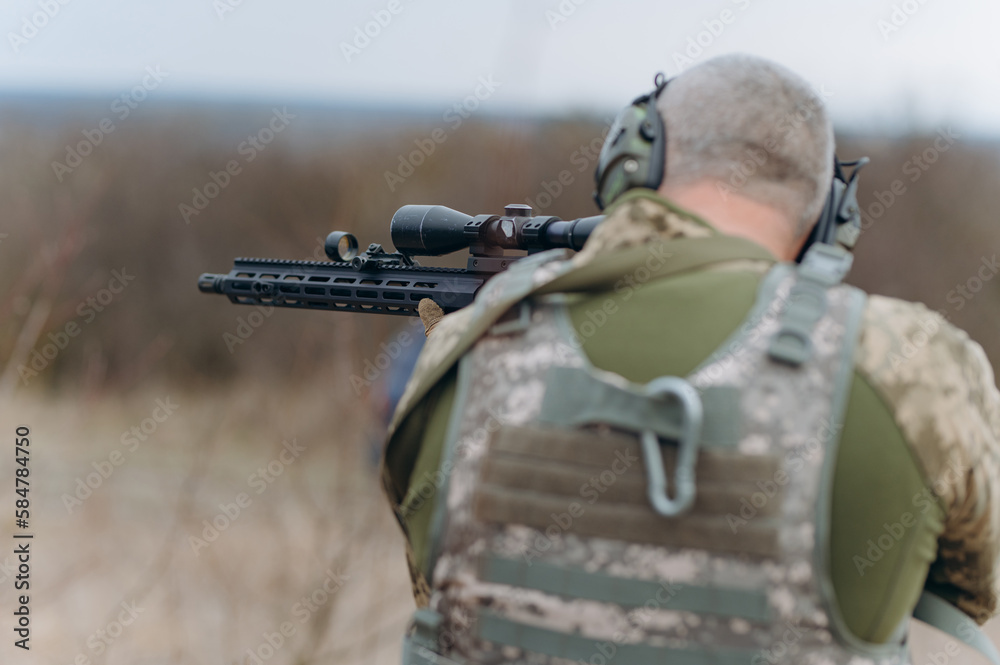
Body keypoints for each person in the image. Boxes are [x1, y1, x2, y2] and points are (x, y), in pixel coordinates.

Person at [381, 54, 1000, 665]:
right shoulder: (911, 367)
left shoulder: (464, 355)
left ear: (629, 165)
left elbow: (440, 584)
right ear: (830, 219)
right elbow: (974, 588)